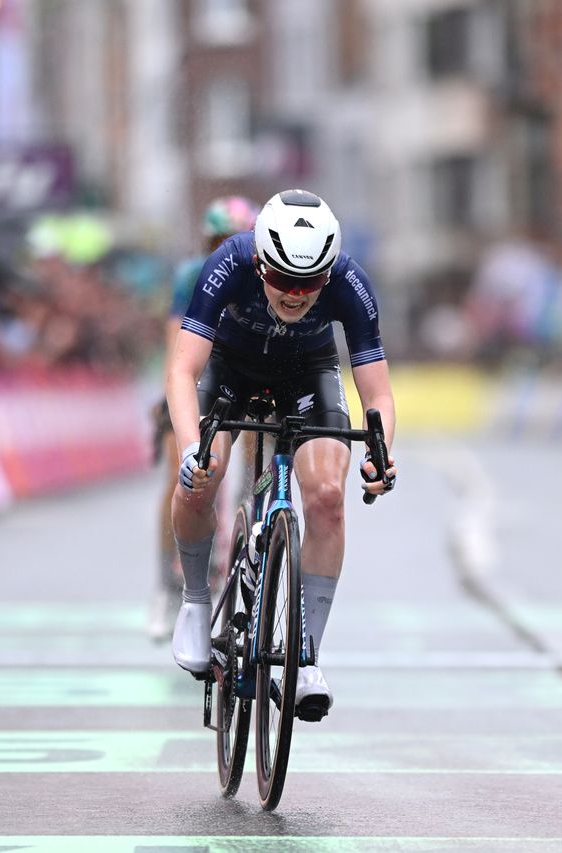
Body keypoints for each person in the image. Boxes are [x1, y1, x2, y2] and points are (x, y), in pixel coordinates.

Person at [167, 189, 397, 722]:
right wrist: (188, 449)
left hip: (307, 371)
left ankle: (307, 658)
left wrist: (381, 455)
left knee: (326, 498)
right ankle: (197, 600)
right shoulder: (227, 262)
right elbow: (182, 370)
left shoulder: (351, 282)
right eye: (283, 282)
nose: (295, 296)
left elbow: (377, 394)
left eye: (310, 283)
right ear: (259, 262)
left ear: (329, 271)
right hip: (229, 367)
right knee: (203, 475)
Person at [147, 196, 259, 641]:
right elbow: (177, 344)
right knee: (181, 468)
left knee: (257, 448)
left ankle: (249, 523)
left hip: (247, 370)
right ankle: (163, 584)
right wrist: (169, 399)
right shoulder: (193, 275)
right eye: (218, 240)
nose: (225, 248)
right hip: (203, 371)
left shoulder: (262, 275)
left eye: (235, 239)